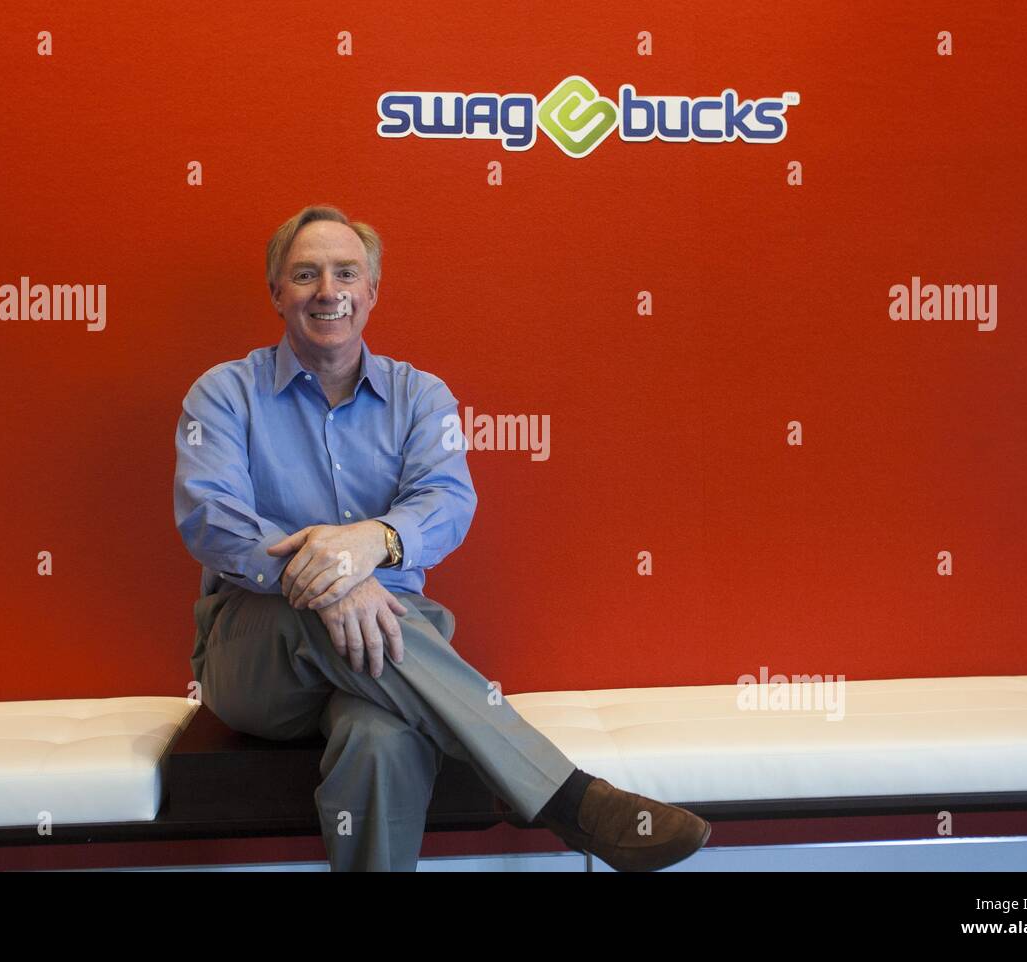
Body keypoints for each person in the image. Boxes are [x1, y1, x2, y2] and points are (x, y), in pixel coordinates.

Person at [173, 204, 711, 871]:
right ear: (277, 293)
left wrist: (372, 541)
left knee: (379, 738)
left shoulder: (420, 396)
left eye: (346, 273)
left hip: (390, 644)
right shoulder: (223, 395)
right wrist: (325, 583)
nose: (328, 291)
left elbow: (448, 500)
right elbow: (210, 516)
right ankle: (570, 801)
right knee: (316, 612)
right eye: (305, 274)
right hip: (258, 653)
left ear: (372, 291)